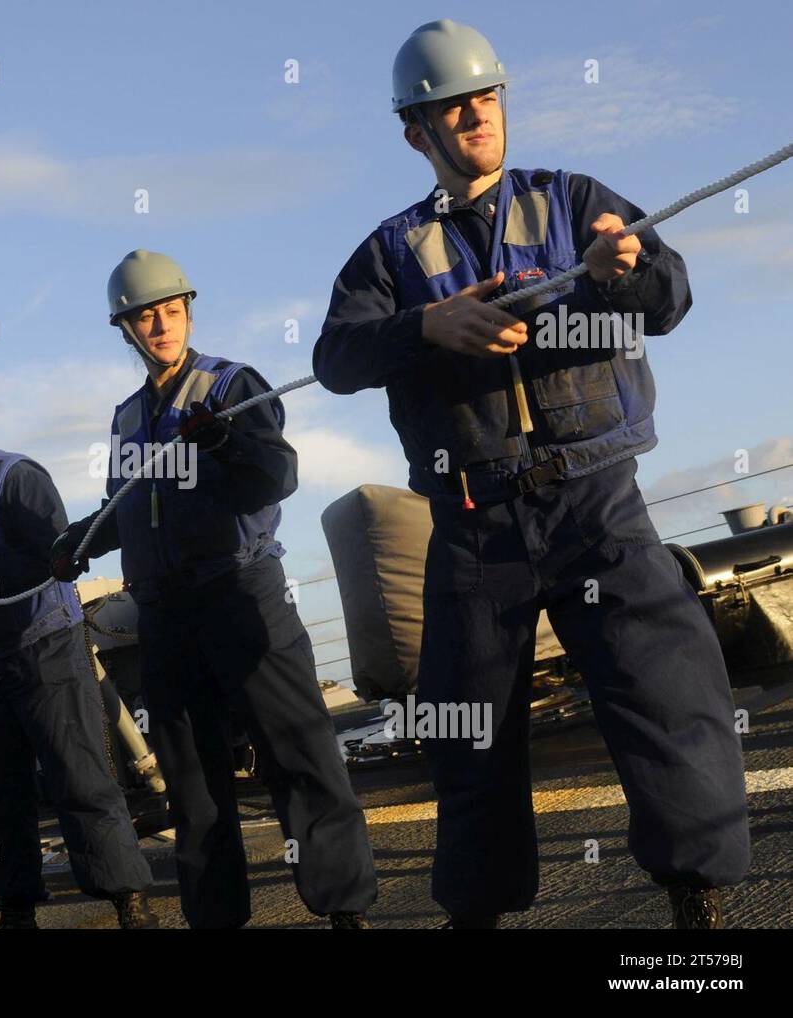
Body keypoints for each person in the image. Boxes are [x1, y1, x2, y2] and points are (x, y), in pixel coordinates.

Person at [312, 19, 750, 929]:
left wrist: (624, 272)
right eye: (451, 108)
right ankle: (480, 914)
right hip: (475, 530)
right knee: (466, 739)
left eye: (485, 98)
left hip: (600, 506)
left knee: (669, 702)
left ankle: (695, 918)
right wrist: (426, 328)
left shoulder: (574, 199)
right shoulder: (390, 254)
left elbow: (669, 299)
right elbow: (337, 358)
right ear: (416, 133)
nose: (476, 116)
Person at [54, 251, 377, 929]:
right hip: (164, 614)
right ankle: (216, 920)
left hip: (241, 591)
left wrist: (227, 443)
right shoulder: (127, 419)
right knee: (192, 785)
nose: (162, 325)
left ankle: (344, 910)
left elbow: (275, 477)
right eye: (146, 317)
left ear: (188, 312)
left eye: (171, 311)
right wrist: (78, 540)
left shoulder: (231, 385)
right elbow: (130, 508)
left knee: (298, 754)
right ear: (125, 329)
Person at [0, 365, 157, 929]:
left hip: (46, 651)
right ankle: (15, 904)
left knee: (80, 776)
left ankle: (127, 899)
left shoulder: (19, 477)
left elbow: (55, 556)